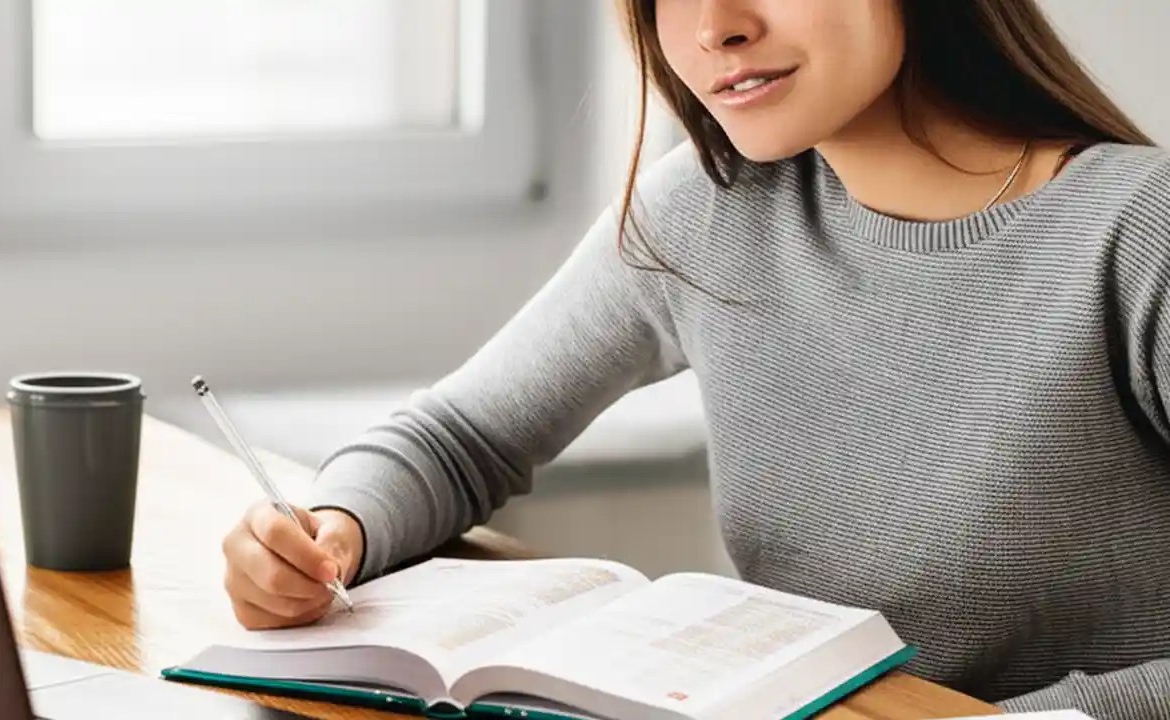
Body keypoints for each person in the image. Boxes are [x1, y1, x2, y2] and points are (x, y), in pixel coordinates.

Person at [220, 1, 1170, 717]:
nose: (715, 27)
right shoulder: (709, 209)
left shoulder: (1138, 231)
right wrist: (330, 532)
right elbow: (464, 435)